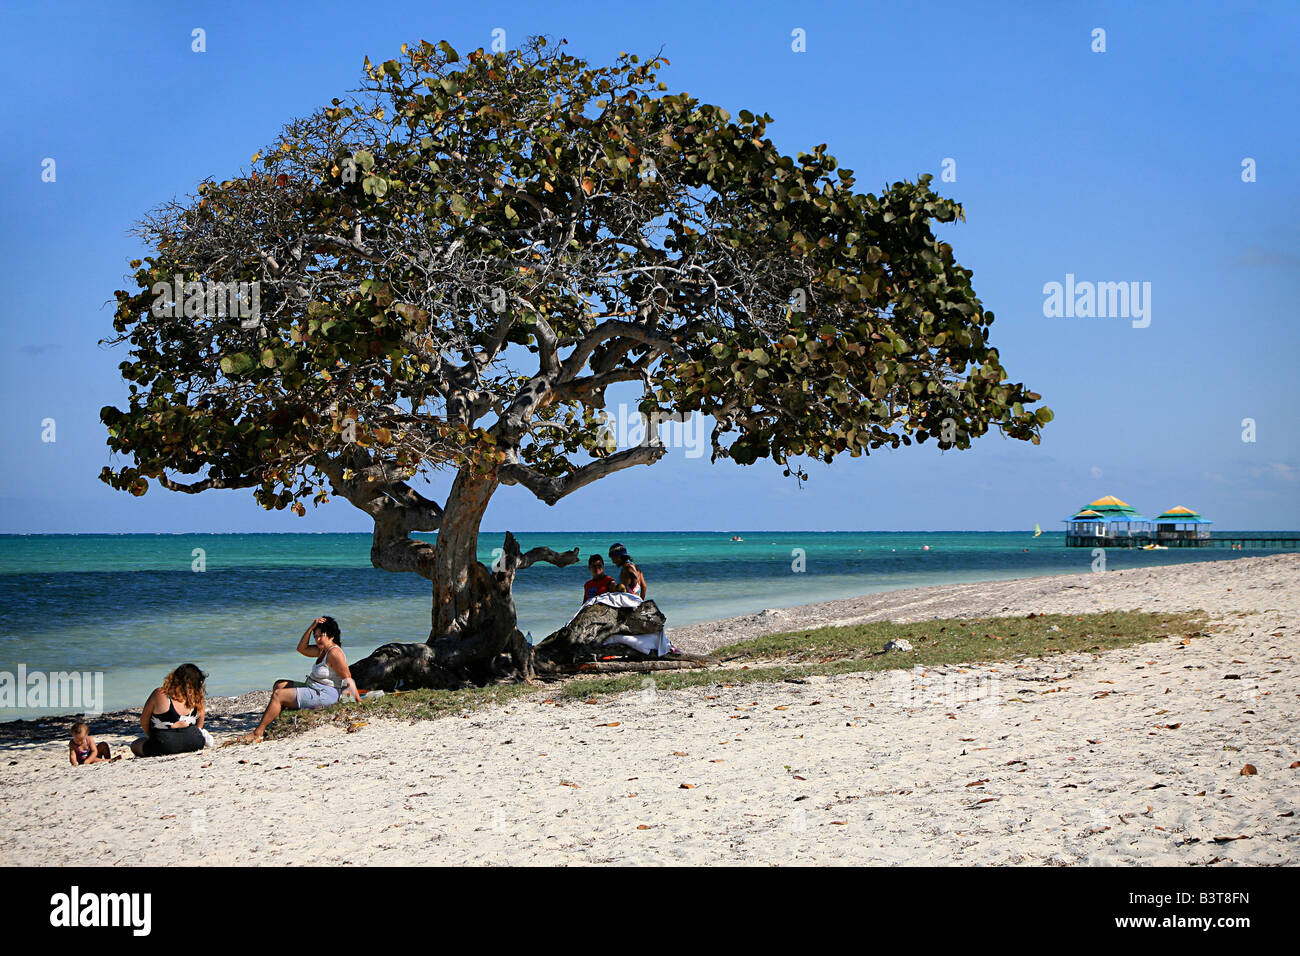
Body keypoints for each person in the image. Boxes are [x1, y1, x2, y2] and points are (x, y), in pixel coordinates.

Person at [240, 616, 360, 743]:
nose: (318, 639)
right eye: (315, 636)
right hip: (313, 688)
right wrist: (311, 627)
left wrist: (355, 702)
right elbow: (301, 649)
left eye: (321, 636)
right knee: (279, 685)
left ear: (331, 636)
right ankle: (275, 720)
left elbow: (347, 677)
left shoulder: (334, 653)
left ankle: (258, 733)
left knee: (278, 695)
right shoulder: (322, 650)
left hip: (325, 694)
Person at [130, 663, 208, 758]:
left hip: (165, 743)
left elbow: (144, 722)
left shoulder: (160, 693)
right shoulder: (197, 696)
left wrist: (154, 737)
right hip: (195, 741)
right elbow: (200, 724)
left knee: (135, 745)